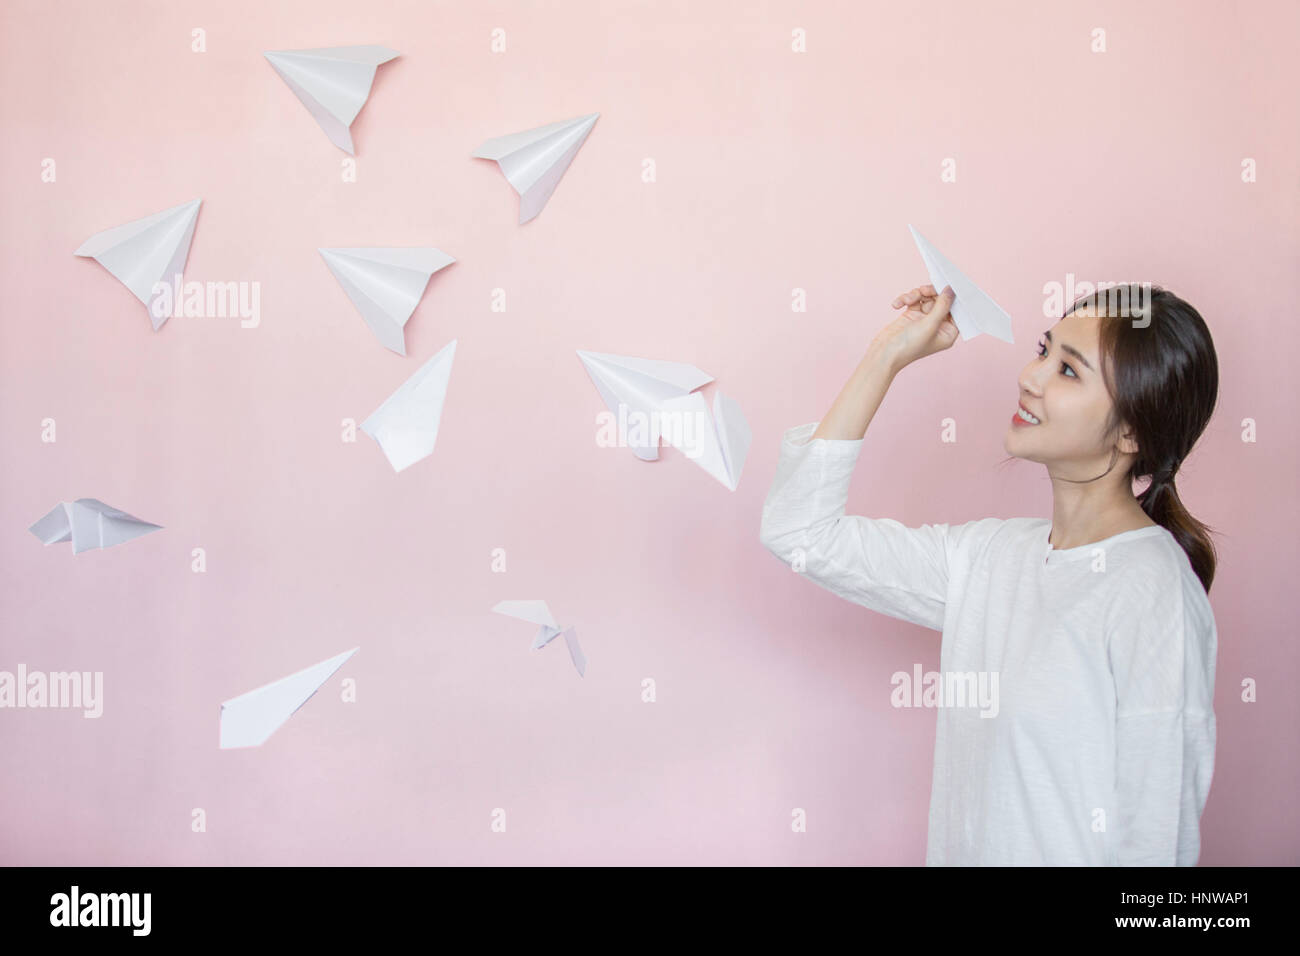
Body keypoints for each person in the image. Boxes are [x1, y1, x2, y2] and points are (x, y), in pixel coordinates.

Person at [758, 281, 1219, 865]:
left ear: (1132, 432)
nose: (1030, 376)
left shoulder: (1154, 592)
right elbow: (801, 534)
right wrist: (888, 355)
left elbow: (1157, 842)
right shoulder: (989, 558)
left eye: (1069, 371)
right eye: (1043, 350)